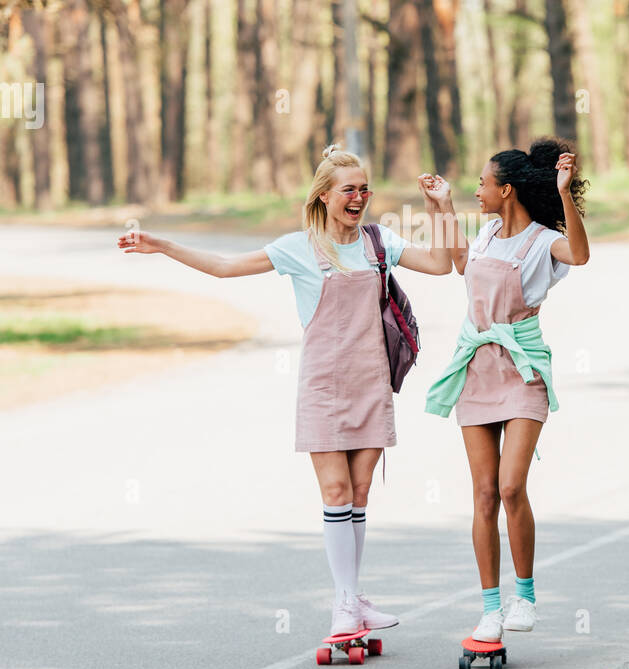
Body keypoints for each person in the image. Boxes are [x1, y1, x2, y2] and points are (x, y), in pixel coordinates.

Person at [117, 145, 452, 639]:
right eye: (348, 190)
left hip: (372, 384)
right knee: (335, 492)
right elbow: (225, 267)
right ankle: (344, 605)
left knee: (359, 493)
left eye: (364, 189)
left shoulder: (378, 243)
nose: (358, 198)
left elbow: (443, 264)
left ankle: (354, 598)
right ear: (322, 196)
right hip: (323, 388)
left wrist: (440, 207)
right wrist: (164, 246)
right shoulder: (298, 247)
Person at [420, 138, 589, 641]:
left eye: (481, 183)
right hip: (477, 367)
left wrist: (565, 196)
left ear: (506, 189)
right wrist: (443, 205)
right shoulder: (489, 233)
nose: (478, 190)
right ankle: (490, 607)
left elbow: (579, 254)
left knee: (512, 486)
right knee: (485, 493)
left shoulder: (541, 241)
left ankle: (526, 596)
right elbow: (457, 263)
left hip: (523, 368)